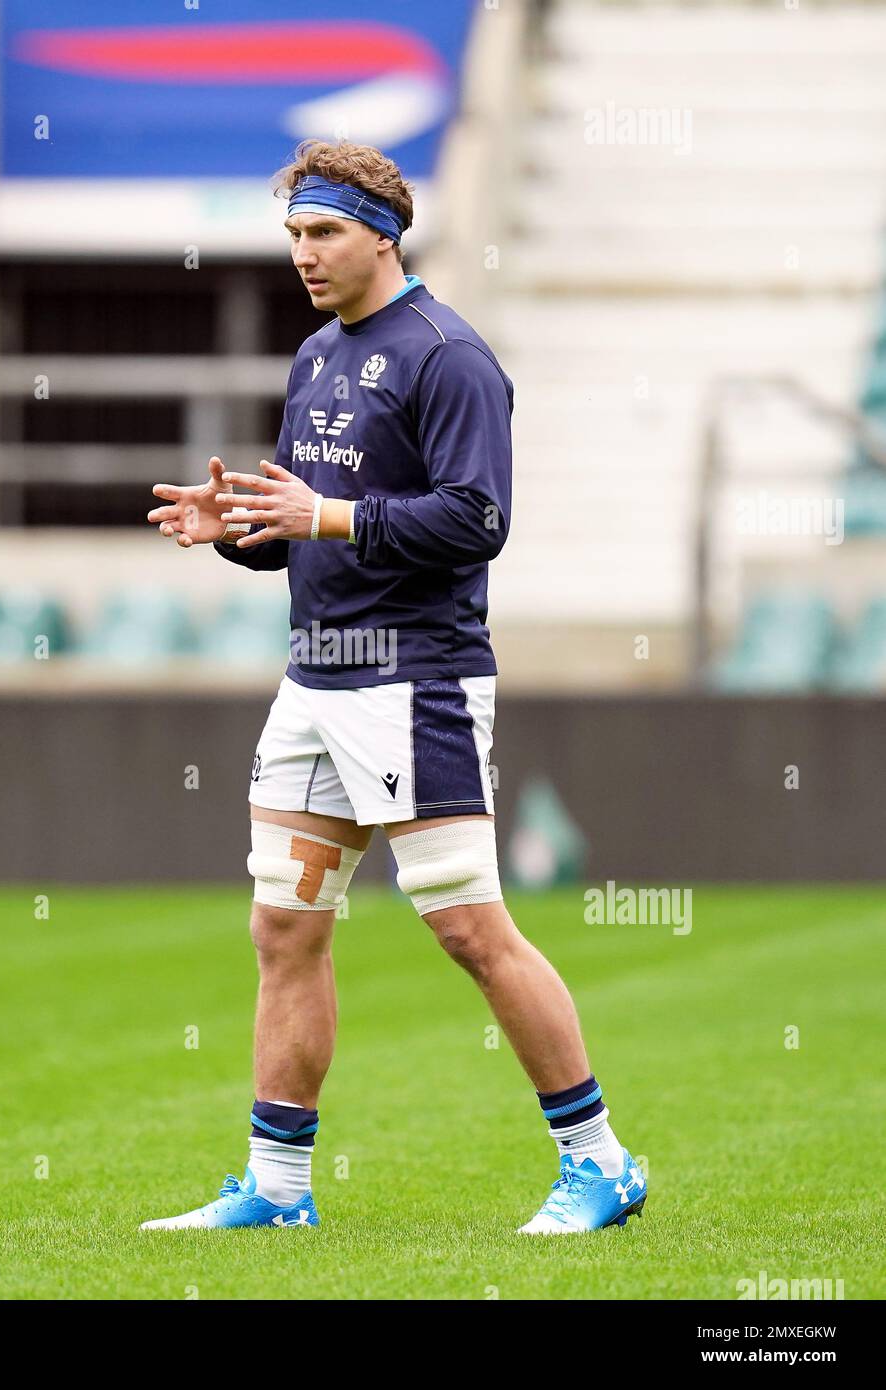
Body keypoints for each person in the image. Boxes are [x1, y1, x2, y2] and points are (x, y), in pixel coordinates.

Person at [141, 140, 645, 1235]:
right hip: (313, 681)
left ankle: (601, 1162)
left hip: (413, 681)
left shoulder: (448, 356)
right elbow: (305, 530)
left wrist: (322, 516)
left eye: (323, 233)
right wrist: (237, 530)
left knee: (469, 927)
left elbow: (478, 519)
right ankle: (277, 1188)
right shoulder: (317, 355)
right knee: (285, 927)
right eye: (293, 236)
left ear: (383, 232)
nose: (305, 255)